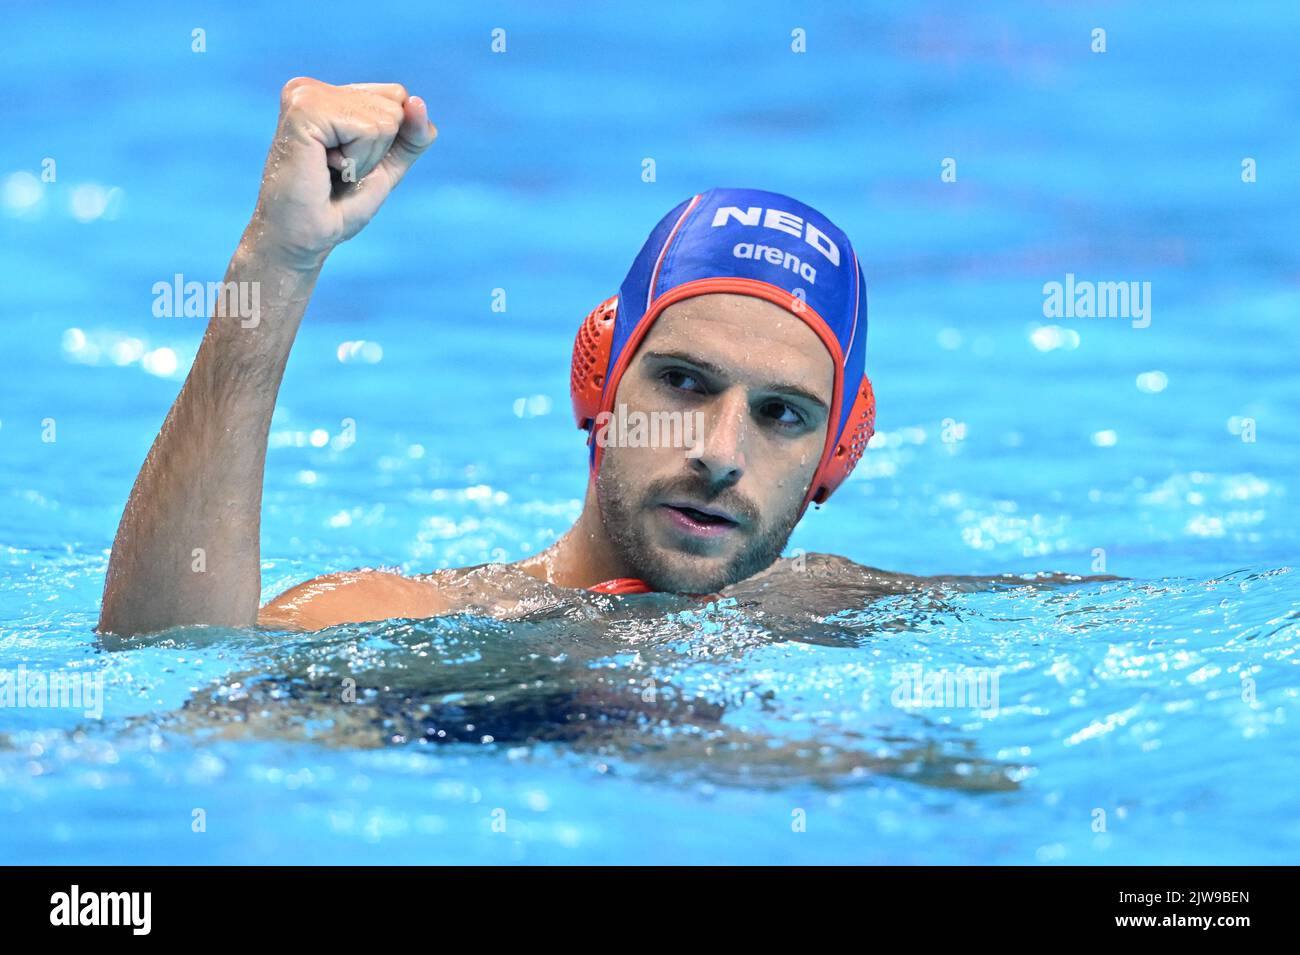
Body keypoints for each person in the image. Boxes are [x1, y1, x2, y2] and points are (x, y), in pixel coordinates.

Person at [97, 77, 1076, 638]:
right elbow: (174, 669)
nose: (722, 452)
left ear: (839, 455)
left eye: (783, 414)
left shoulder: (834, 608)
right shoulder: (421, 622)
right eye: (684, 382)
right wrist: (280, 257)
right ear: (599, 380)